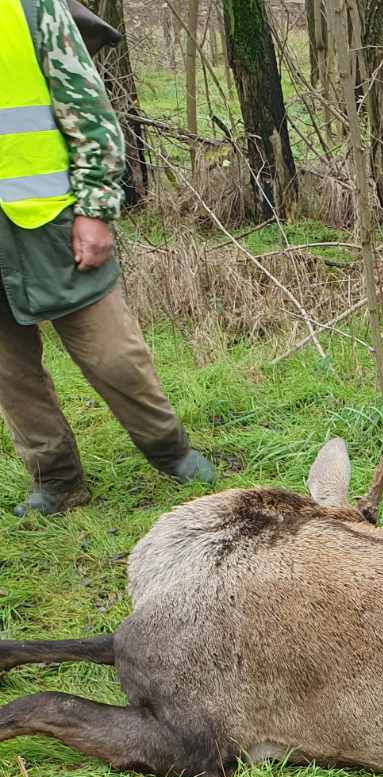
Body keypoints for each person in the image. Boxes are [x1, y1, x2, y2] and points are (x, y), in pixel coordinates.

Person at [0, 0, 215, 516]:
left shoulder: (29, 8)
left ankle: (172, 452)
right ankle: (56, 481)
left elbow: (90, 110)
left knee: (115, 356)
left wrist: (96, 210)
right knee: (11, 376)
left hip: (51, 224)